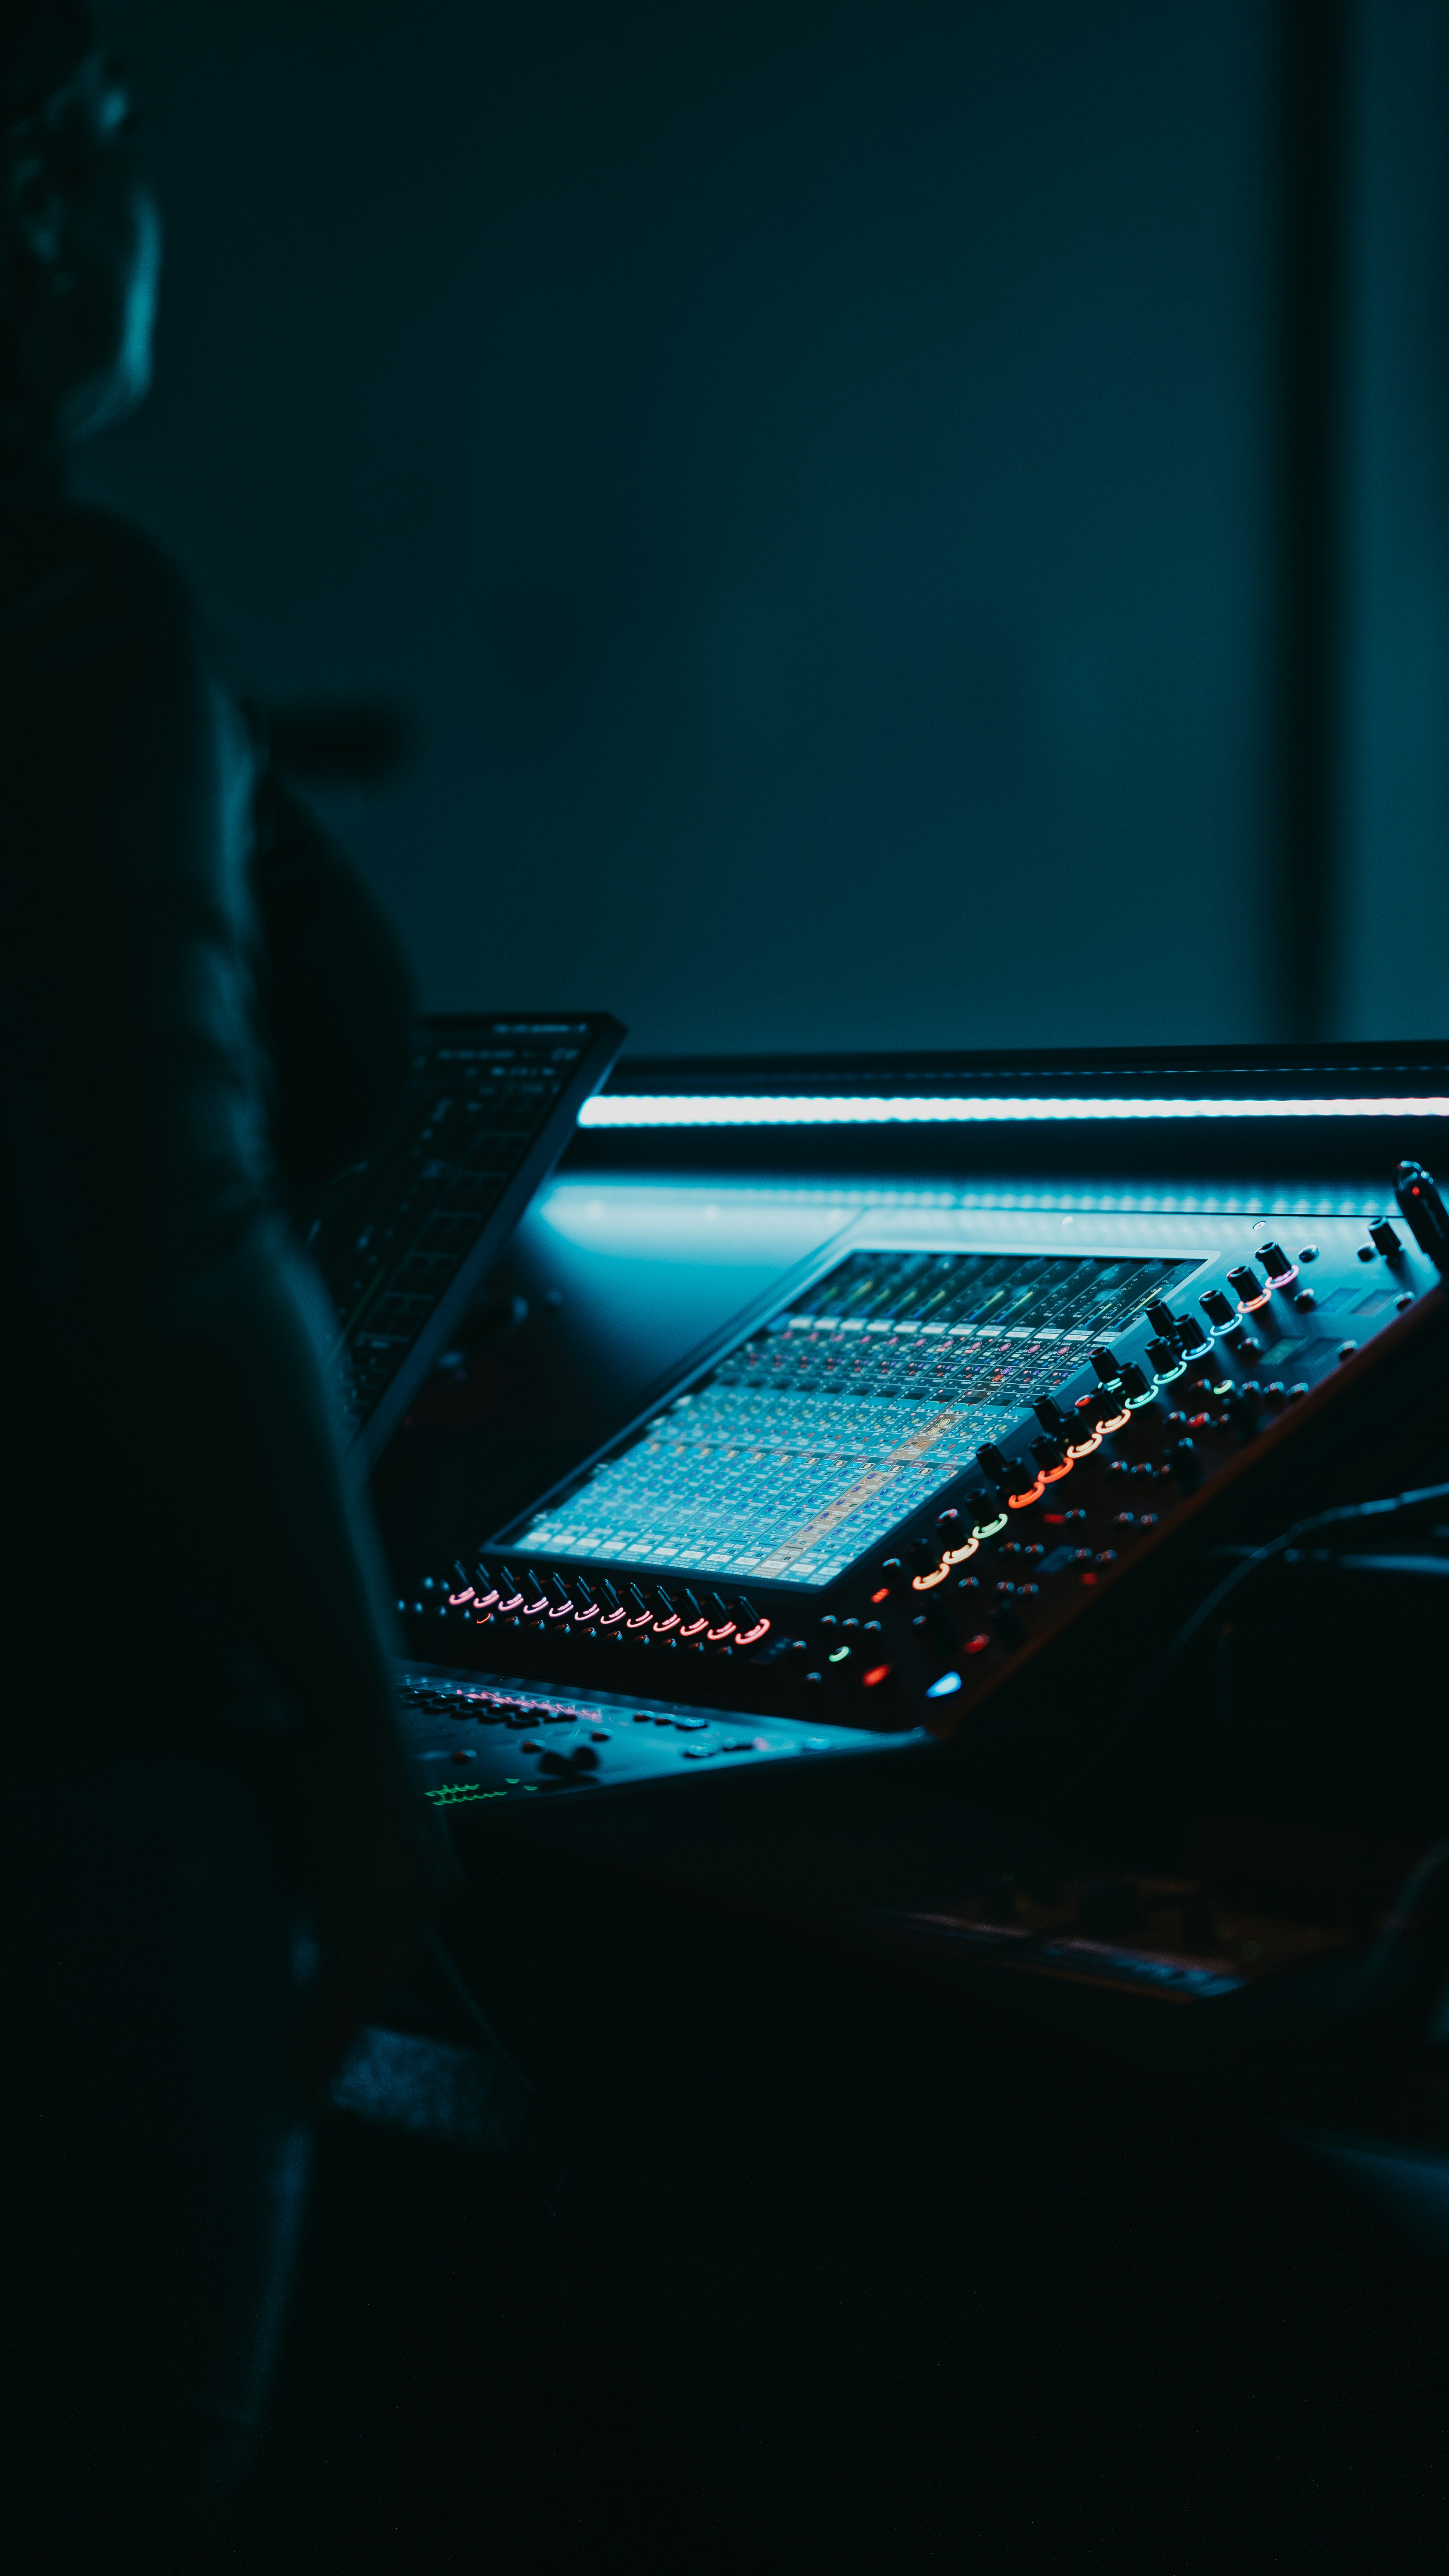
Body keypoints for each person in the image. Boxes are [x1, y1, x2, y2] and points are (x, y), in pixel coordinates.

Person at [0, 6, 446, 2564]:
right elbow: (185, 1243)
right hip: (81, 1797)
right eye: (109, 137)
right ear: (42, 209)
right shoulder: (77, 620)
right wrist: (375, 1773)